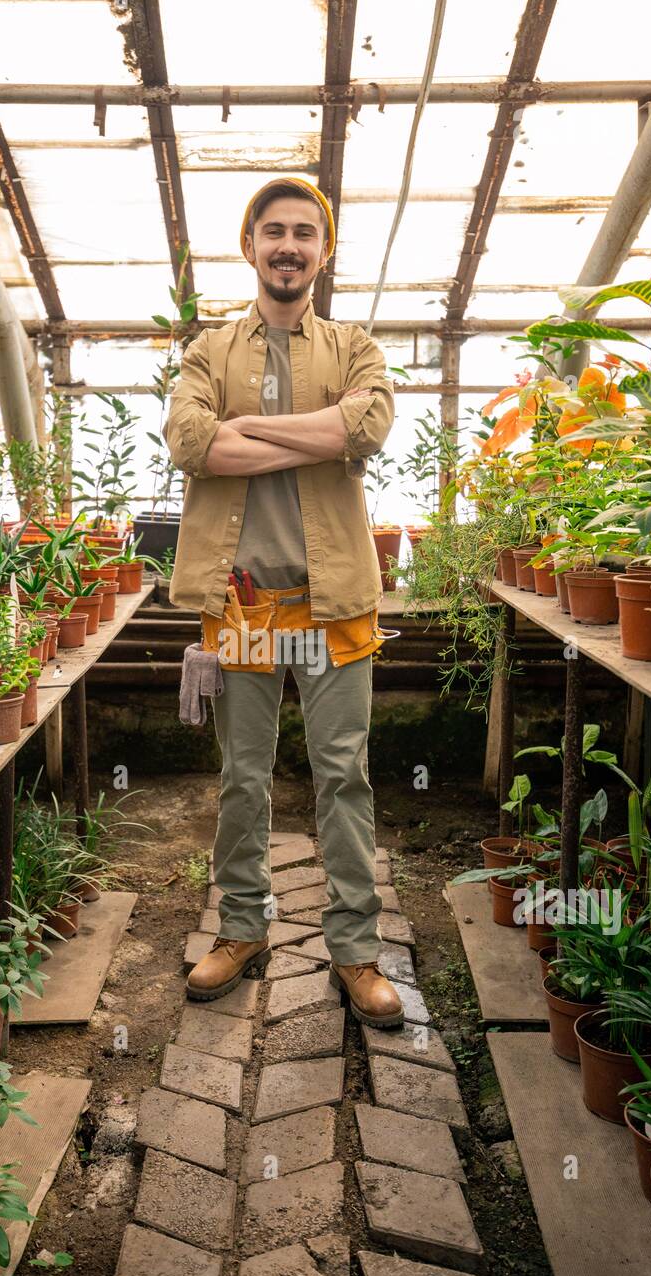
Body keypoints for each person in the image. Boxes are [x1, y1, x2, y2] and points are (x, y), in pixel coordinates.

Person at [164, 177, 403, 1028]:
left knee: (344, 776)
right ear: (250, 245)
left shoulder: (356, 347)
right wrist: (316, 433)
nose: (289, 245)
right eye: (274, 232)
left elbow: (365, 430)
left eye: (305, 232)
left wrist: (249, 434)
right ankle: (240, 927)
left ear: (323, 251)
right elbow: (192, 442)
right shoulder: (208, 351)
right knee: (243, 779)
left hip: (334, 606)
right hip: (244, 609)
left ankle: (356, 951)